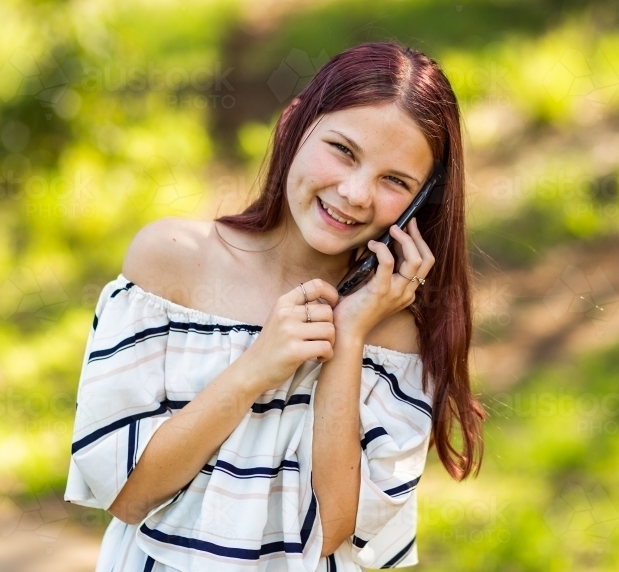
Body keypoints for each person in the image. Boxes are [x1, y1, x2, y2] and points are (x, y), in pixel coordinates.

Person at [64, 41, 486, 571]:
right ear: (293, 126)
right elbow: (128, 497)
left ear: (423, 202)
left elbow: (335, 530)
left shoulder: (393, 335)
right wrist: (255, 369)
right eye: (343, 150)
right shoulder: (172, 263)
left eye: (395, 181)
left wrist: (349, 337)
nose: (356, 193)